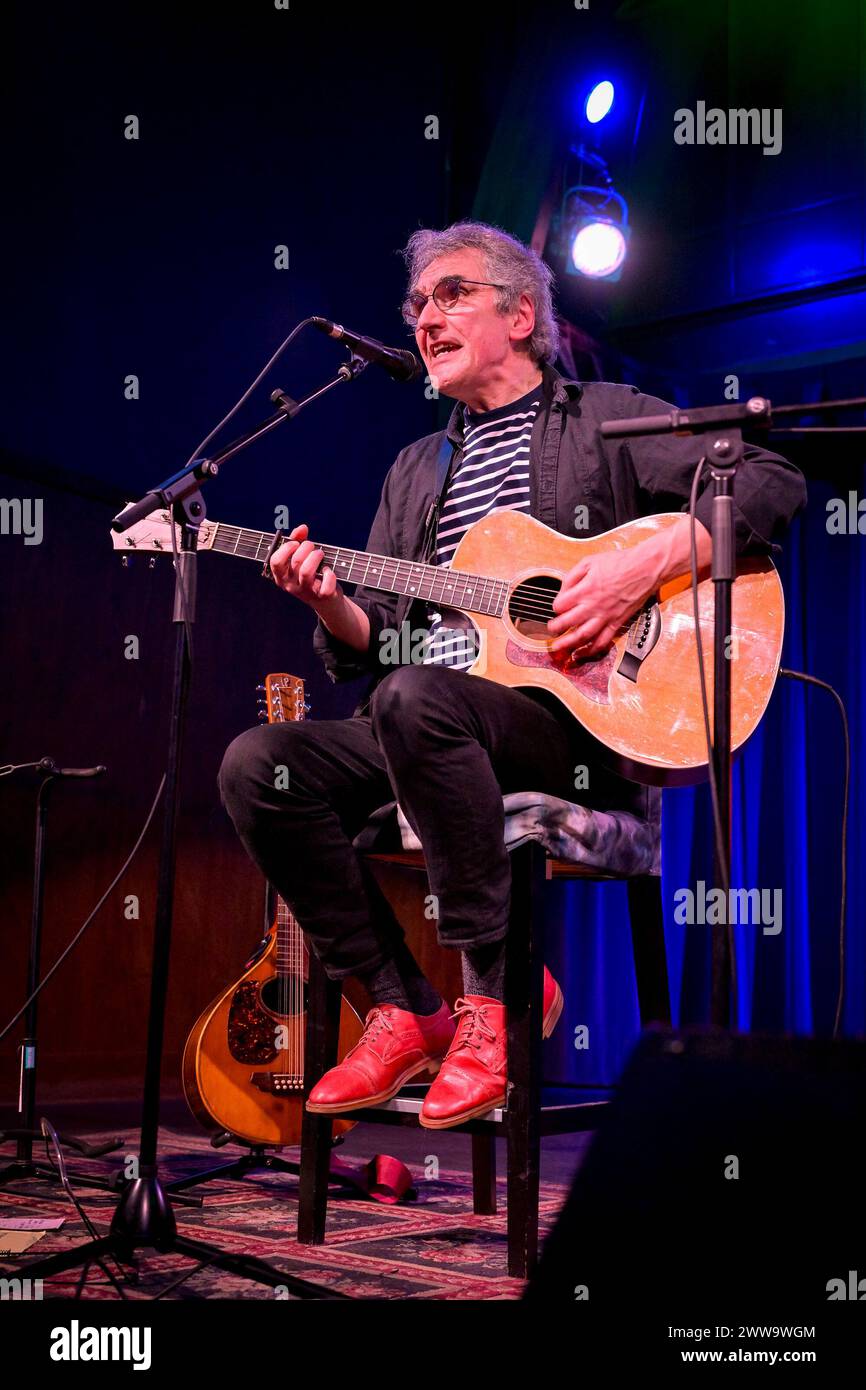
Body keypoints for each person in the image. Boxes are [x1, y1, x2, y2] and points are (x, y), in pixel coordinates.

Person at [218, 221, 806, 1129]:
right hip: (428, 727)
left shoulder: (608, 420)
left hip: (571, 733)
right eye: (416, 304)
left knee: (419, 701)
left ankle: (492, 1002)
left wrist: (634, 573)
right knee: (257, 764)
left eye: (451, 294)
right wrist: (328, 603)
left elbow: (768, 482)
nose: (424, 318)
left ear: (522, 312)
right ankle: (402, 1005)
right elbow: (375, 646)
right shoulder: (417, 468)